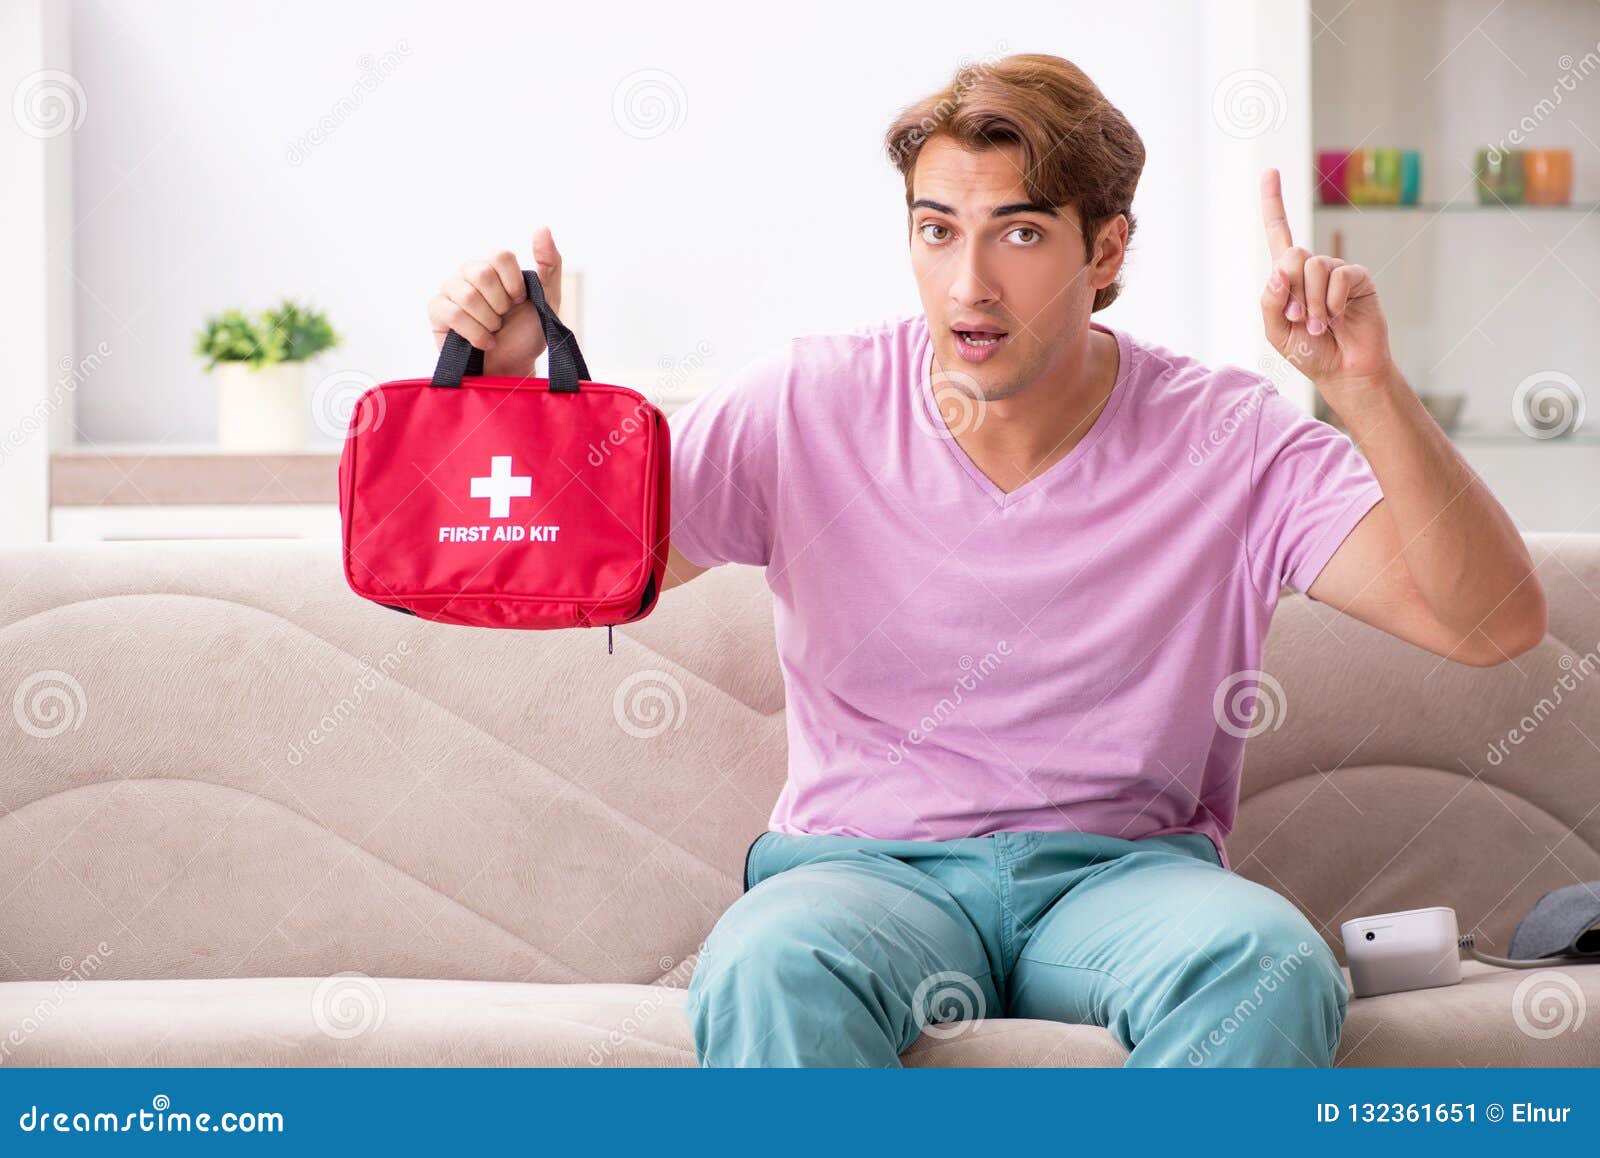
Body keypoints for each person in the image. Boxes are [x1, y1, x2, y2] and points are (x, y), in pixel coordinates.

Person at [427, 53, 1546, 1067]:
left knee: (1267, 965)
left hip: (1123, 880)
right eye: (935, 230)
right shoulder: (807, 403)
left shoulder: (1228, 435)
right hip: (860, 877)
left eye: (1016, 232)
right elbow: (580, 571)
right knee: (770, 963)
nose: (967, 282)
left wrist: (1365, 392)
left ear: (1105, 247)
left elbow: (1490, 622)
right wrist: (524, 396)